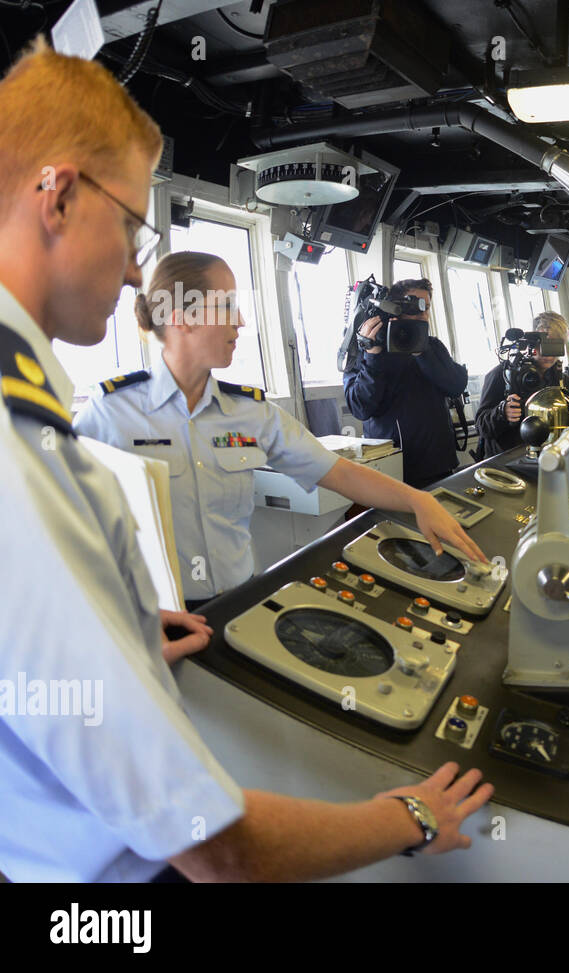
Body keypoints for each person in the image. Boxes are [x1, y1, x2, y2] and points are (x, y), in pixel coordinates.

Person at [0, 38, 491, 882]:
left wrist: (115, 636)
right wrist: (410, 816)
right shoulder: (50, 440)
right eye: (131, 224)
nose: (135, 273)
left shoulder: (46, 428)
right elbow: (216, 846)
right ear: (60, 195)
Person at [75, 252, 487, 611]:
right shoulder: (111, 414)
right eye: (227, 306)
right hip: (152, 615)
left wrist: (416, 500)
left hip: (237, 603)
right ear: (183, 317)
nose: (240, 321)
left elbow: (339, 472)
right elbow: (64, 529)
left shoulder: (250, 413)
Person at [342, 277, 468, 487]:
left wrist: (421, 351)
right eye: (414, 306)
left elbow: (456, 385)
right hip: (393, 468)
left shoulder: (432, 346)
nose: (422, 314)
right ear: (393, 308)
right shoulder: (366, 349)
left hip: (438, 465)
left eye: (426, 307)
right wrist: (373, 356)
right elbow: (360, 408)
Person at [475, 310, 569, 457]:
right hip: (507, 459)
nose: (548, 353)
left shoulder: (563, 381)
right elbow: (481, 425)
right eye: (542, 343)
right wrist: (502, 413)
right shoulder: (503, 374)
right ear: (531, 342)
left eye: (554, 345)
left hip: (551, 456)